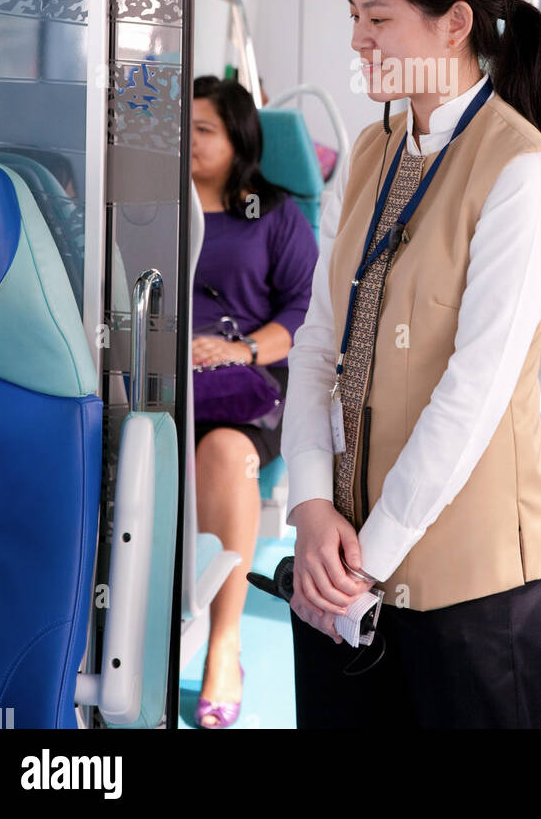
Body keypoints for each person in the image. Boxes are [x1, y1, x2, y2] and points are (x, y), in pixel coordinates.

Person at [280, 0, 541, 729]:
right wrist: (309, 506)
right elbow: (318, 341)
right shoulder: (373, 151)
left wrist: (364, 560)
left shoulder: (521, 174)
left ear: (455, 25)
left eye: (378, 17)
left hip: (466, 590)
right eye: (353, 16)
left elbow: (473, 395)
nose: (357, 40)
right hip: (337, 559)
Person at [190, 76, 319, 727]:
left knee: (225, 453)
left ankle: (224, 639)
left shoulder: (272, 215)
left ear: (239, 139)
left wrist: (238, 352)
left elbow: (305, 309)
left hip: (248, 381)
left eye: (203, 129)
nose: (187, 140)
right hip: (160, 375)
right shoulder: (142, 204)